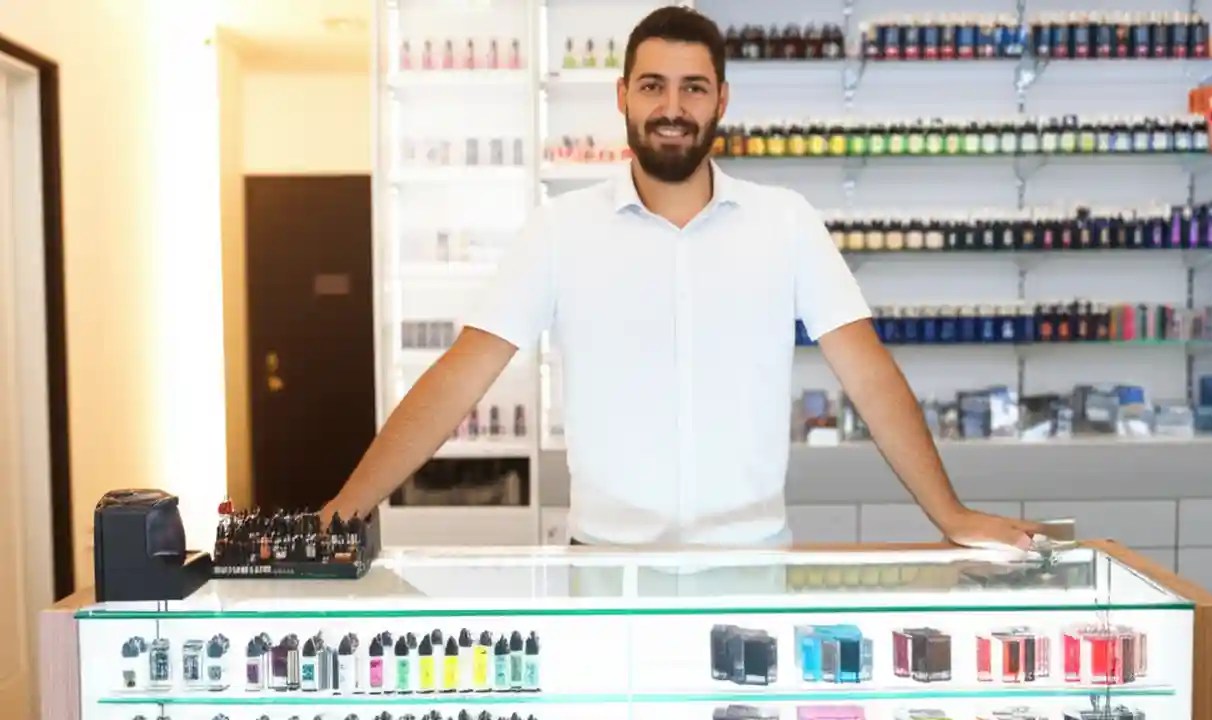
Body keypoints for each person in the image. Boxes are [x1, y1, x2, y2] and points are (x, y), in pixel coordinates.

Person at [321, 6, 1040, 550]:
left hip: (751, 565)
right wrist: (341, 515)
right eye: (653, 87)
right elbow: (460, 377)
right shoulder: (560, 229)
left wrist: (949, 514)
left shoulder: (785, 221)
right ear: (622, 96)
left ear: (721, 99)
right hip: (605, 568)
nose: (672, 109)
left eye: (693, 88)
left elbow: (870, 376)